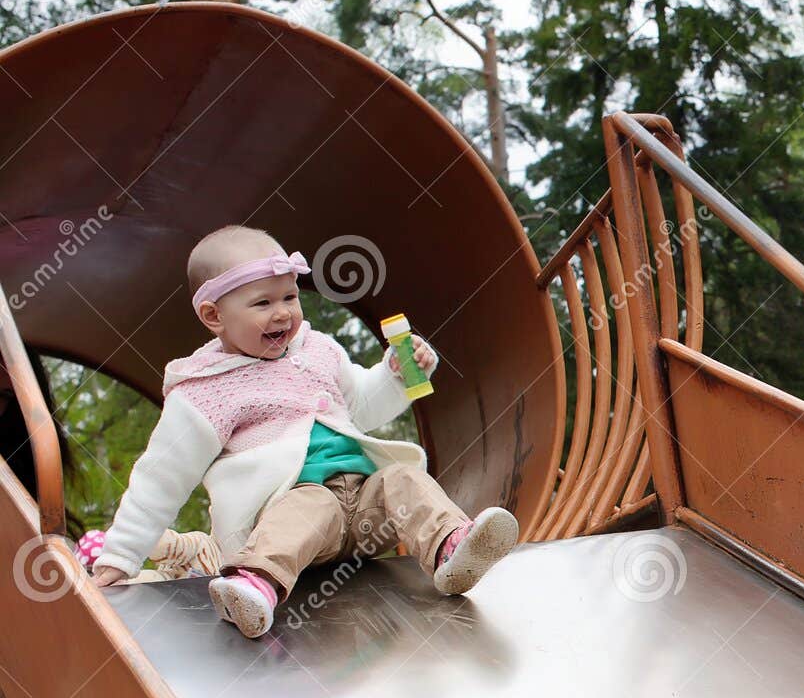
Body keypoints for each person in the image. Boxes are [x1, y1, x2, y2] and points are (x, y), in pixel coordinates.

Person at [90, 226, 518, 638]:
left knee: (403, 478)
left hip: (368, 510)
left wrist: (395, 377)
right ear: (213, 315)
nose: (283, 313)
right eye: (262, 303)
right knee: (310, 504)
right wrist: (122, 555)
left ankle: (450, 547)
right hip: (293, 517)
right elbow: (162, 477)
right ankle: (255, 583)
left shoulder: (319, 351)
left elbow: (362, 410)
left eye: (291, 296)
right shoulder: (206, 390)